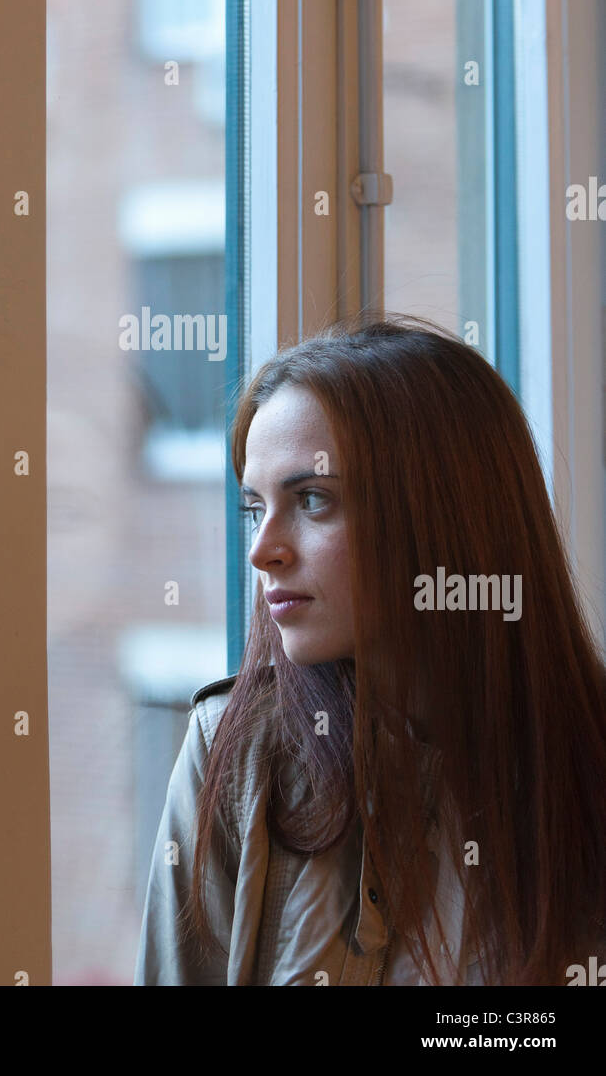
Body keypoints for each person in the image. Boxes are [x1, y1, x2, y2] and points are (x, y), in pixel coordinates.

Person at [133, 316, 606, 986]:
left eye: (313, 500)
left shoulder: (584, 766)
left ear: (444, 513)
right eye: (253, 507)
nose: (262, 549)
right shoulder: (235, 753)